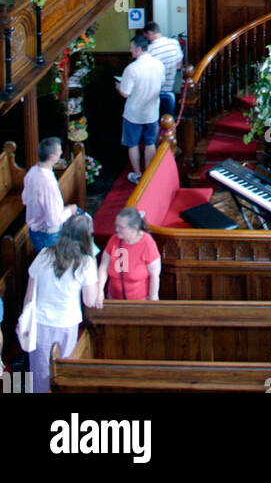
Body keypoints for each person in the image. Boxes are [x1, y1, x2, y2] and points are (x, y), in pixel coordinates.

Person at [23, 211, 98, 393]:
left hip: (40, 323)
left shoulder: (43, 255)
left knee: (39, 374)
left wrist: (25, 323)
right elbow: (90, 301)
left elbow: (29, 297)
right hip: (65, 324)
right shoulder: (86, 263)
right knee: (64, 373)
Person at [117, 35, 164, 183]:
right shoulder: (159, 64)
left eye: (131, 48)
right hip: (152, 112)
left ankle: (138, 174)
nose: (130, 51)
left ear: (138, 49)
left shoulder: (132, 68)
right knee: (150, 143)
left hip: (134, 113)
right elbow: (161, 83)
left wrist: (118, 86)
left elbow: (125, 93)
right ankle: (149, 174)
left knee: (133, 144)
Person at [21, 137, 77, 251]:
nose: (61, 153)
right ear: (52, 157)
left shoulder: (32, 171)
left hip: (34, 231)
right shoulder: (47, 182)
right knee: (54, 267)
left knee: (43, 262)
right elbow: (54, 220)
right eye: (59, 151)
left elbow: (25, 199)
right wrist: (70, 210)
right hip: (49, 235)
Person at [96, 207, 160, 305]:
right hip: (114, 299)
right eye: (116, 225)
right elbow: (103, 267)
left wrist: (153, 300)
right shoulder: (114, 240)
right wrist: (99, 290)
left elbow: (154, 275)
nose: (117, 230)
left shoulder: (147, 243)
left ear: (134, 228)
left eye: (121, 227)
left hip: (140, 303)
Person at [144, 22, 183, 117]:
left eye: (146, 36)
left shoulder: (149, 50)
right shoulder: (174, 43)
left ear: (149, 33)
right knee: (168, 126)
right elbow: (179, 65)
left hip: (153, 96)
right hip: (170, 93)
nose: (146, 39)